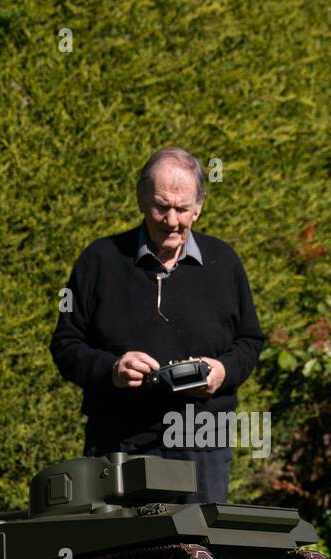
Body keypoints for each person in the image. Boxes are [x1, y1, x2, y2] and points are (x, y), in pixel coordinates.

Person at [50, 146, 264, 503]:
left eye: (182, 209)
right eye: (161, 206)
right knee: (120, 552)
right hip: (119, 441)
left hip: (201, 441)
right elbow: (65, 345)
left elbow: (250, 340)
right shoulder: (99, 260)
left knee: (195, 550)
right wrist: (112, 369)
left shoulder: (224, 262)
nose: (172, 220)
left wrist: (223, 371)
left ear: (199, 207)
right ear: (139, 199)